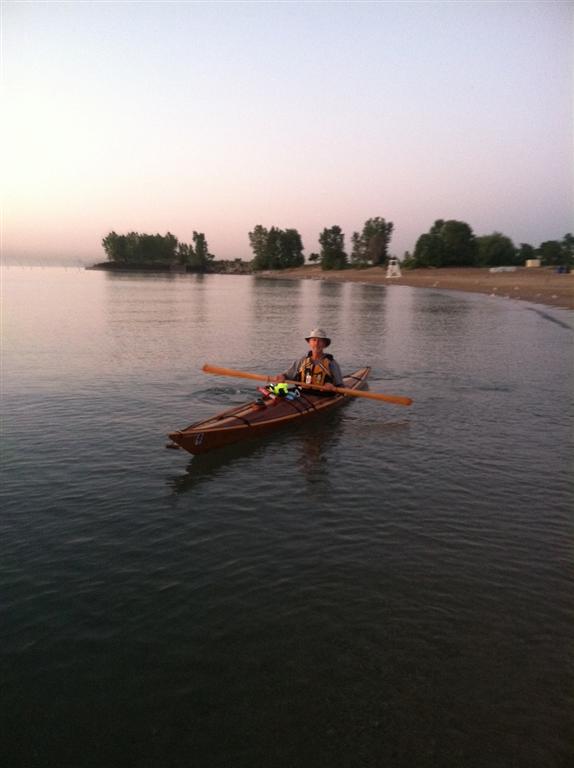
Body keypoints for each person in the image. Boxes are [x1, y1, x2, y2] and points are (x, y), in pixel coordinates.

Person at [273, 327, 344, 394]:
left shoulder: (331, 363)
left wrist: (332, 386)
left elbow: (340, 386)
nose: (316, 343)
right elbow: (287, 375)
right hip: (302, 394)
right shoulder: (302, 360)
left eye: (320, 341)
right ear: (309, 342)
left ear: (325, 344)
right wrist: (282, 377)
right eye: (314, 340)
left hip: (323, 396)